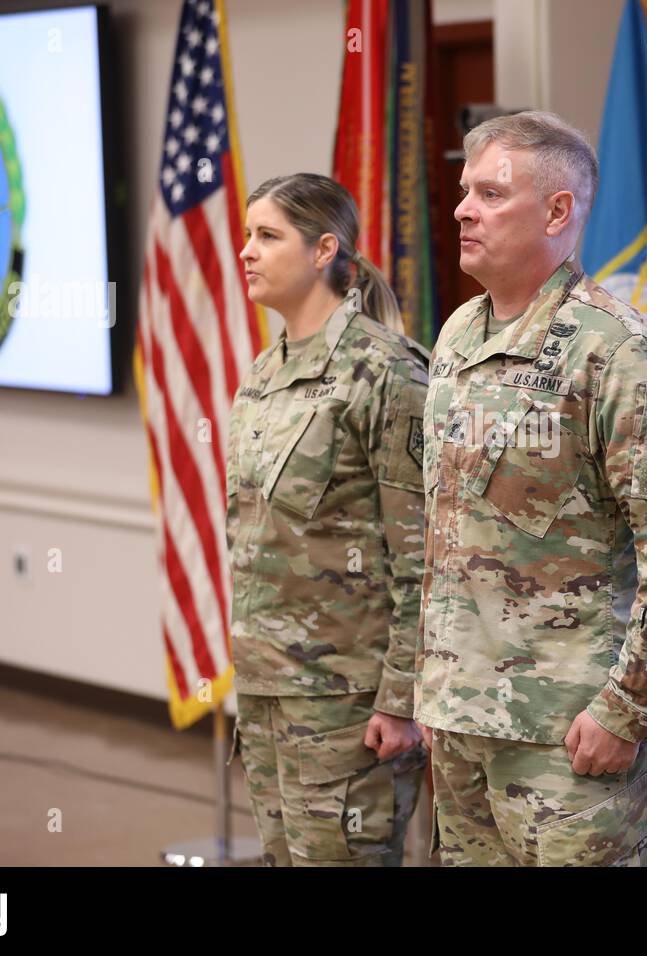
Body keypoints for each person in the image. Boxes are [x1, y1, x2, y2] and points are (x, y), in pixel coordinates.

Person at [413, 110, 647, 866]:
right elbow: (443, 532)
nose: (462, 208)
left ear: (558, 211)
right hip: (463, 727)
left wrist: (628, 711)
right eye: (465, 191)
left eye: (490, 193)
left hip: (570, 739)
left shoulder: (617, 350)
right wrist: (436, 687)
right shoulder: (460, 334)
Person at [226, 173, 428, 866]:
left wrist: (401, 699)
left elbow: (421, 554)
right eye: (247, 234)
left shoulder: (386, 372)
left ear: (323, 250)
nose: (246, 251)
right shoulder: (263, 374)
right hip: (268, 687)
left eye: (267, 235)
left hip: (348, 701)